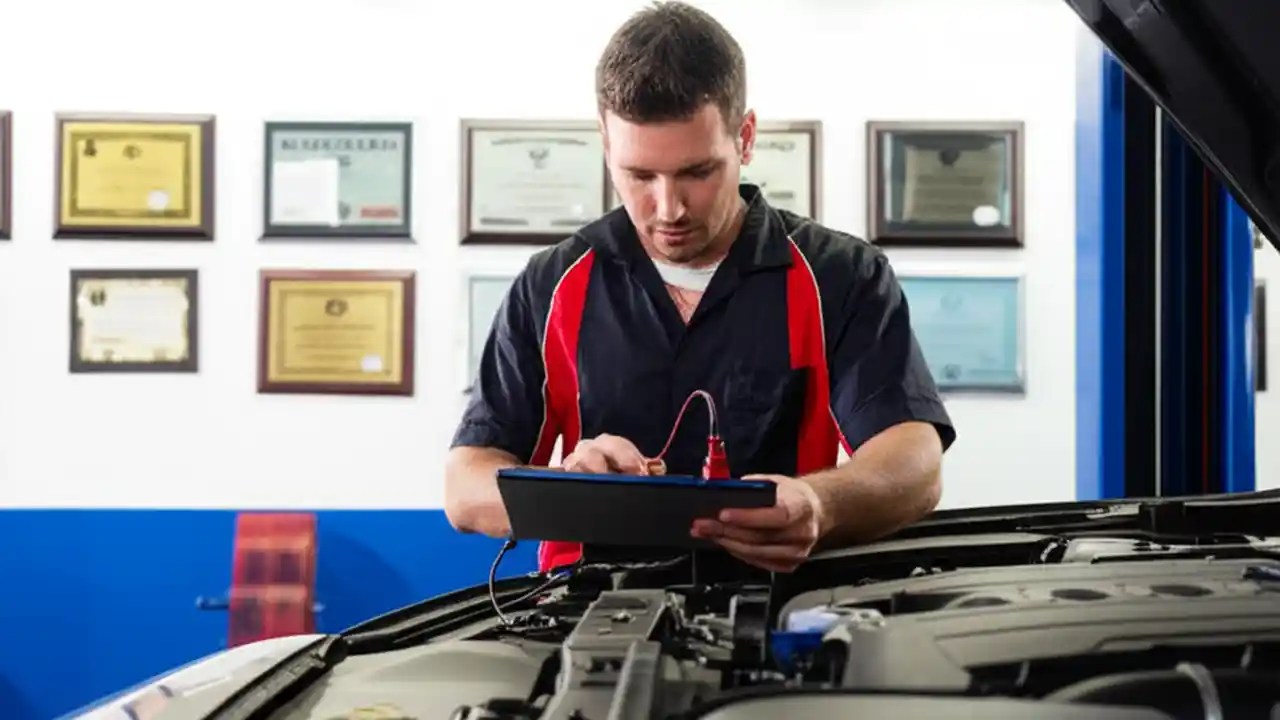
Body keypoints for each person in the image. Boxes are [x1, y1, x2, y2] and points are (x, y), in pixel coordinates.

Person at [445, 0, 956, 574]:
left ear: (745, 137)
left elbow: (916, 460)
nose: (668, 209)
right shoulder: (552, 285)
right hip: (584, 615)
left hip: (781, 610)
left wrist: (820, 502)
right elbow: (465, 488)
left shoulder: (840, 275)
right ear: (606, 143)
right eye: (639, 176)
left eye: (696, 172)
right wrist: (570, 488)